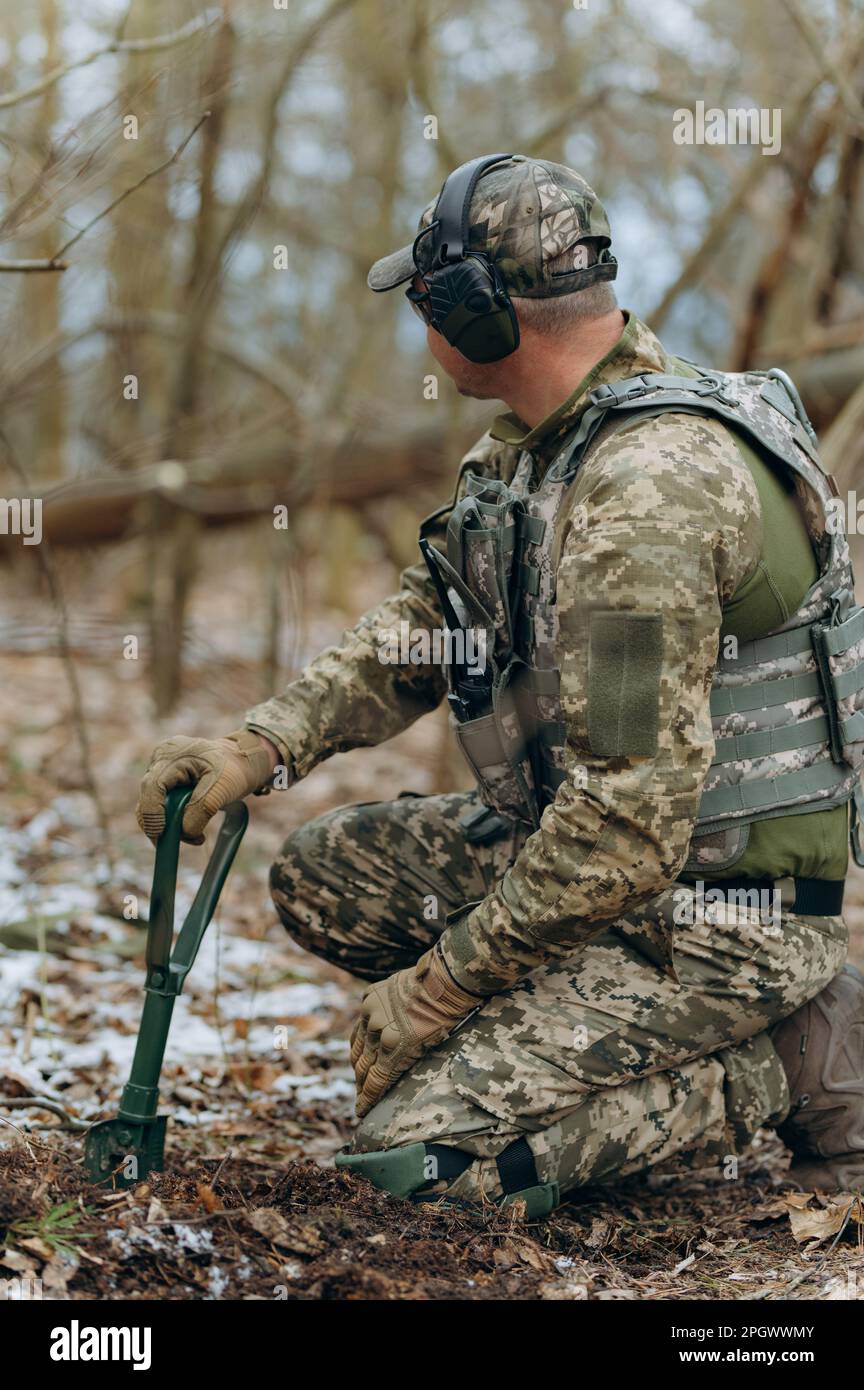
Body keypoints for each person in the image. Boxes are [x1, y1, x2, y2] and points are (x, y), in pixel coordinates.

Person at [137, 155, 864, 1213]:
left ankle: (797, 1055)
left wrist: (440, 991)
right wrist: (261, 745)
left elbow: (623, 824)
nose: (421, 326)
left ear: (481, 316)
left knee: (418, 1167)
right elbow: (428, 623)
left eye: (429, 300)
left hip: (723, 911)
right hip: (621, 877)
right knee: (323, 876)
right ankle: (583, 1021)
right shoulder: (543, 451)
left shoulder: (646, 490)